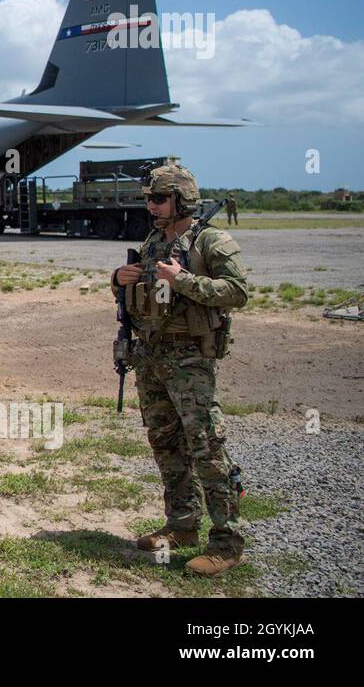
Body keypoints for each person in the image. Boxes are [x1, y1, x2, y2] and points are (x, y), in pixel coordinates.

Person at [112, 165, 248, 576]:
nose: (151, 206)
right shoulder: (155, 241)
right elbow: (139, 294)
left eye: (159, 198)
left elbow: (238, 292)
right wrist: (118, 279)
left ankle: (226, 543)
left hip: (190, 360)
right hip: (151, 357)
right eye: (149, 199)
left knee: (207, 446)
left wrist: (185, 280)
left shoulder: (211, 241)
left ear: (182, 200)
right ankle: (182, 526)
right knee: (166, 446)